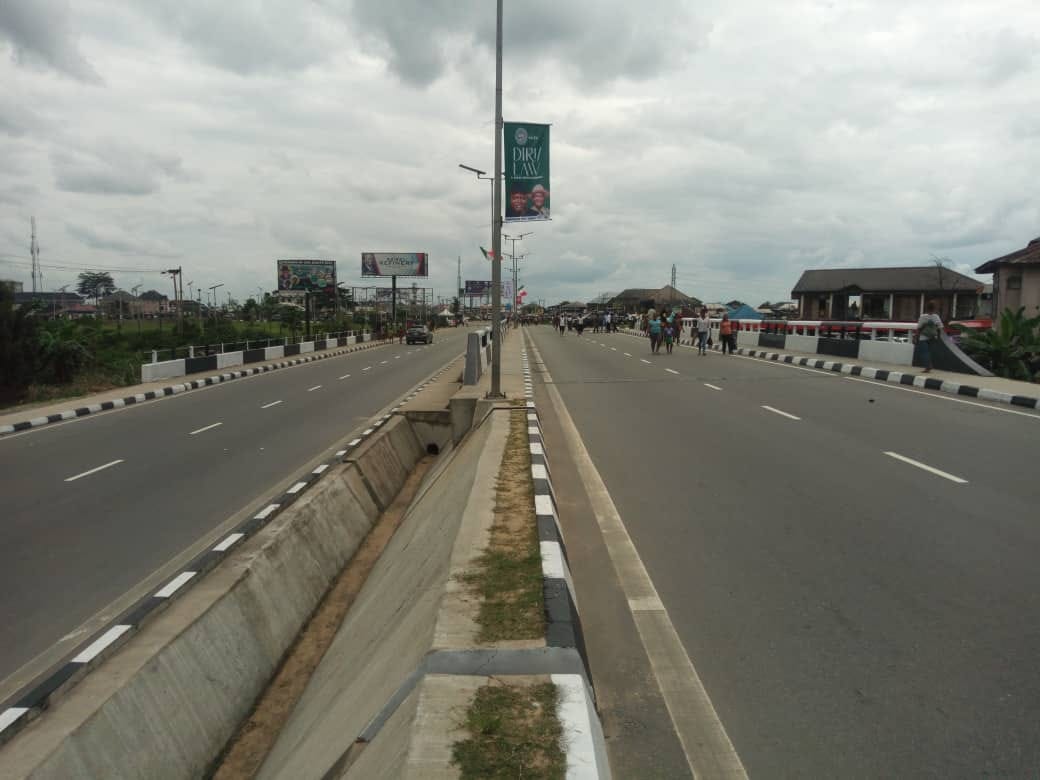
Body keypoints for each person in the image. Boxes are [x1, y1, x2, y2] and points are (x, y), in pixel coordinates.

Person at [915, 300, 943, 373]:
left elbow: (919, 328)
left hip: (923, 337)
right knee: (929, 352)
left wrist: (916, 337)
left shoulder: (923, 316)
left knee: (924, 352)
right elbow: (940, 328)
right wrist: (938, 337)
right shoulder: (936, 317)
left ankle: (928, 366)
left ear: (926, 308)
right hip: (933, 337)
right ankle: (928, 366)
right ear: (934, 308)